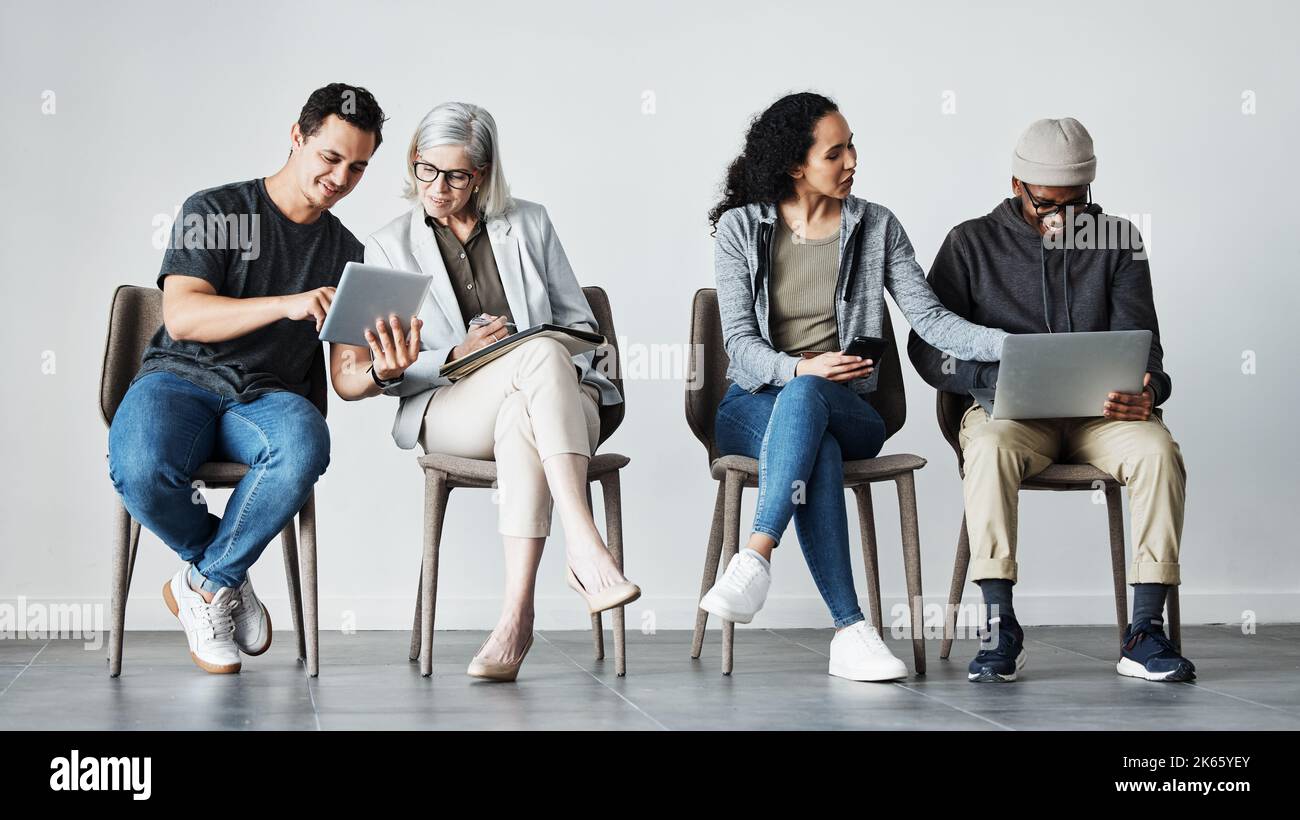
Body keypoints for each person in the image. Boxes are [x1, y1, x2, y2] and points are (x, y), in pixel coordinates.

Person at [699, 92, 1008, 682]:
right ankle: (851, 632)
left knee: (814, 409)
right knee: (812, 426)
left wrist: (1008, 346)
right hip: (750, 407)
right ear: (796, 165)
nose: (852, 161)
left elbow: (933, 320)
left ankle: (757, 555)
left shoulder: (876, 226)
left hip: (854, 410)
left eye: (852, 146)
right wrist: (799, 370)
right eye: (834, 152)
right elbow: (738, 343)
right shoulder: (741, 229)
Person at [331, 102, 639, 682]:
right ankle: (584, 543)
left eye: (456, 175)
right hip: (452, 408)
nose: (437, 188)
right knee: (537, 359)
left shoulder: (530, 223)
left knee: (535, 376)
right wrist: (455, 355)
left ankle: (514, 621)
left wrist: (525, 347)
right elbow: (369, 372)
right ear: (413, 162)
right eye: (426, 170)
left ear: (483, 174)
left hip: (555, 403)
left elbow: (581, 328)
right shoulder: (387, 246)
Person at [108, 83, 387, 674]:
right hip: (179, 379)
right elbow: (183, 315)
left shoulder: (349, 253)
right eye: (330, 158)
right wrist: (285, 304)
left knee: (305, 443)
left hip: (266, 398)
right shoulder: (217, 212)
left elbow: (344, 379)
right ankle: (226, 570)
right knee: (138, 465)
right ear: (297, 136)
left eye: (358, 168)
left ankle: (206, 582)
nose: (340, 179)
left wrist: (384, 369)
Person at [907, 117, 1193, 683]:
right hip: (1009, 415)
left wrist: (1149, 391)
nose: (1062, 219)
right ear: (1017, 186)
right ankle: (999, 626)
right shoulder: (970, 244)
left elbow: (1147, 349)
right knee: (986, 448)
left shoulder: (1118, 241)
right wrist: (990, 377)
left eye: (1076, 205)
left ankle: (1143, 632)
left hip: (1100, 417)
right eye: (1046, 205)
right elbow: (925, 349)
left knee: (1159, 451)